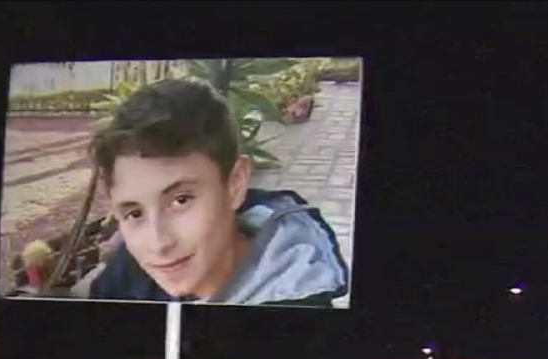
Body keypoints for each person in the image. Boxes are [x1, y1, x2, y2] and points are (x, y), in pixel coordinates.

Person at [78, 79, 349, 307]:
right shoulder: (127, 273)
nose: (159, 243)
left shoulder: (299, 304)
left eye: (181, 200)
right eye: (134, 213)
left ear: (235, 184)